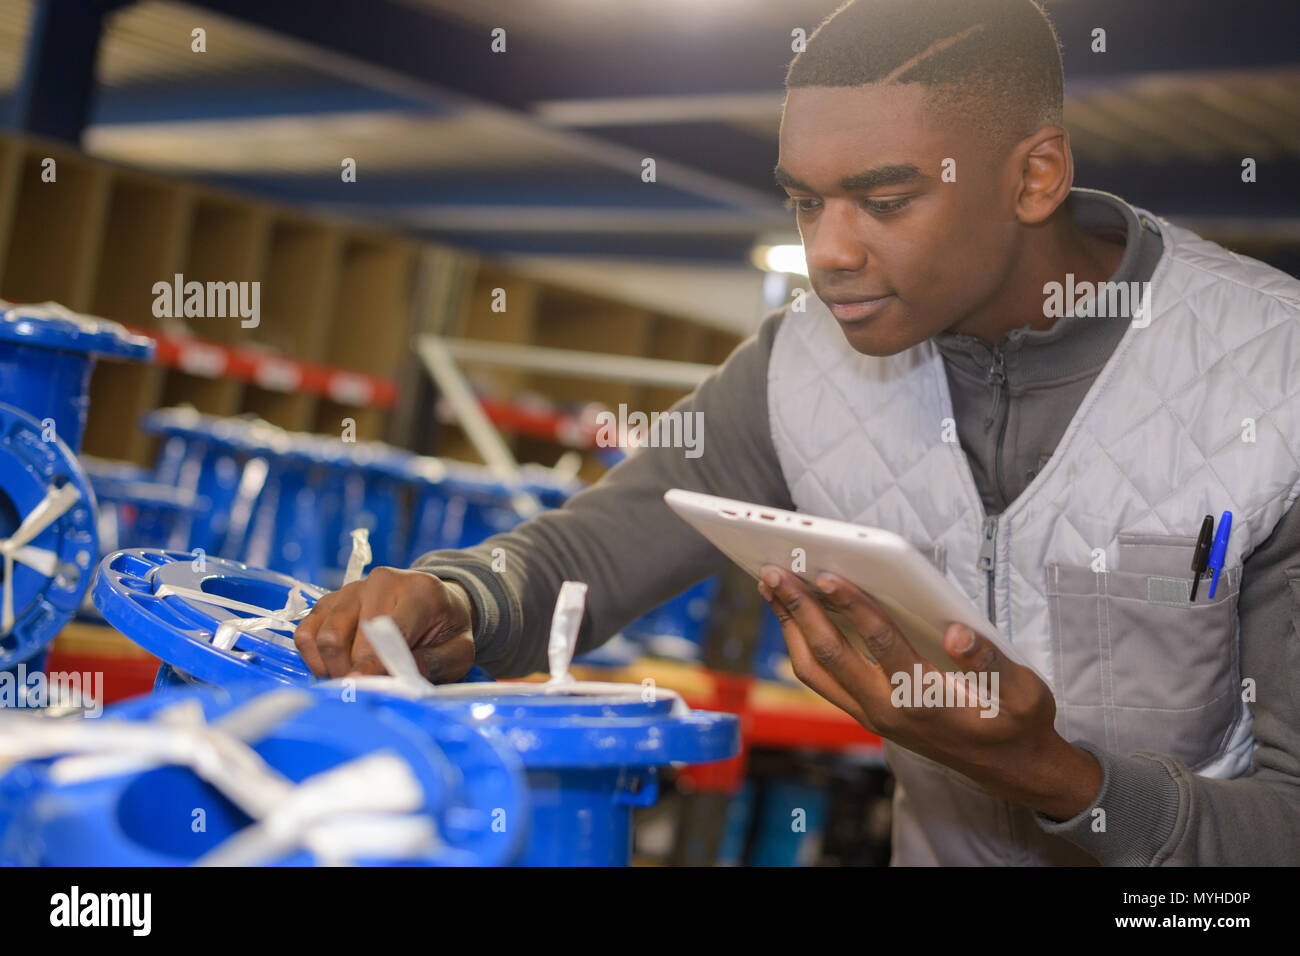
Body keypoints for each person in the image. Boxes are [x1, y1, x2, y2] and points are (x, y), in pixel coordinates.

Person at [295, 0, 1300, 866]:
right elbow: (584, 550)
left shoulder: (1272, 375)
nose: (826, 253)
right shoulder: (800, 367)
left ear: (1035, 176)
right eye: (804, 201)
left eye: (885, 199)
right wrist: (462, 595)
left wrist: (1055, 775)